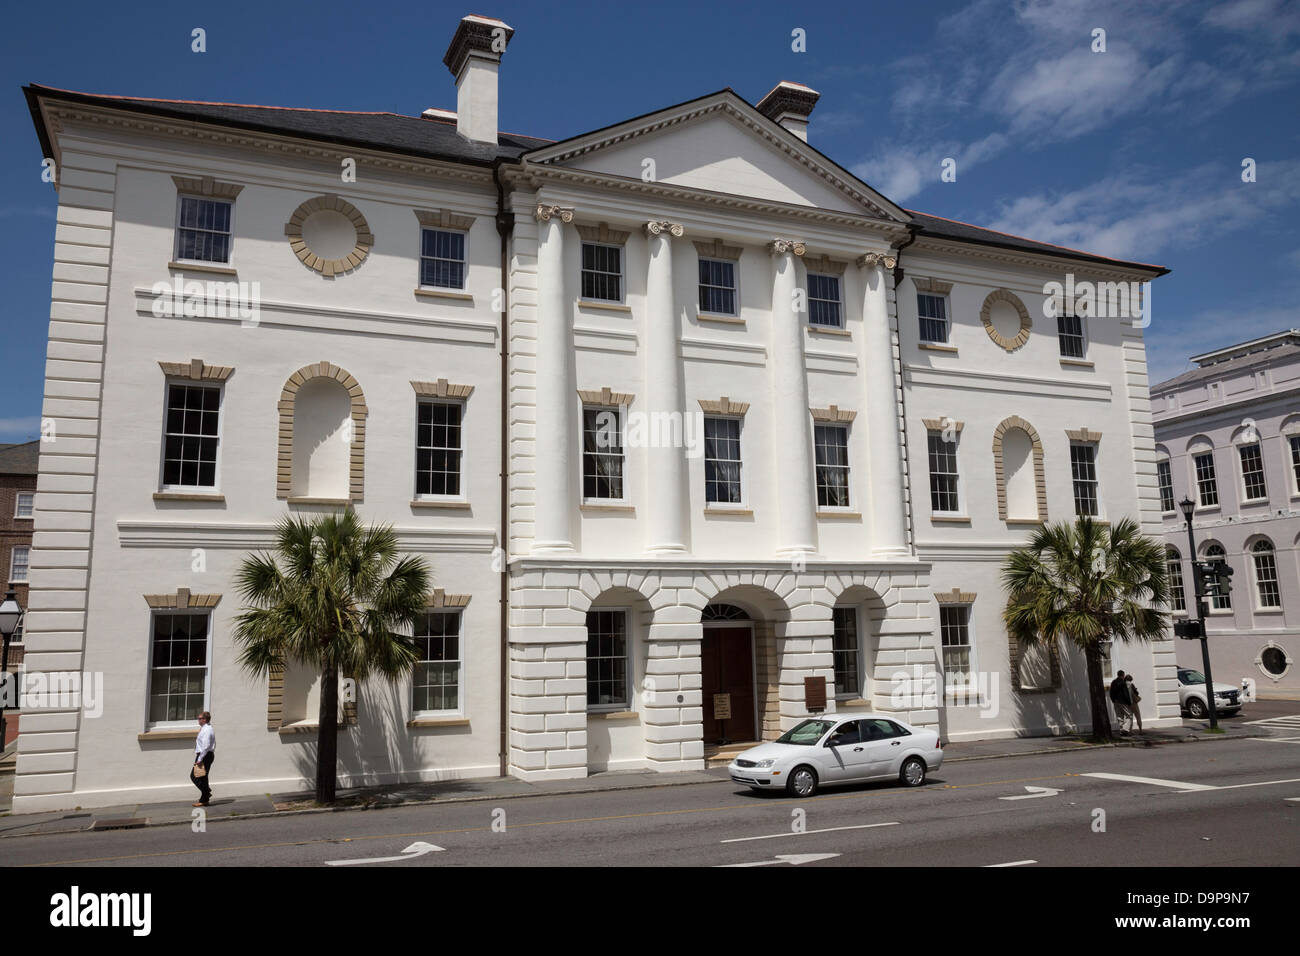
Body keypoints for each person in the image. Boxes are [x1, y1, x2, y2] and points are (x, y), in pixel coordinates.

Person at [191, 711, 215, 807]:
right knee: (203, 778)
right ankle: (205, 799)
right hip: (204, 755)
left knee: (194, 776)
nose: (198, 720)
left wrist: (200, 758)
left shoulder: (207, 730)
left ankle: (206, 792)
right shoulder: (204, 728)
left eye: (199, 718)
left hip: (205, 756)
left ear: (204, 719)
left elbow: (206, 745)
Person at [1108, 669, 1132, 735]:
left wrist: (1113, 700)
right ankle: (1125, 729)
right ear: (1123, 675)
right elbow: (1126, 693)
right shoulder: (1123, 683)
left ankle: (1121, 730)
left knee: (1119, 716)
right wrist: (1129, 702)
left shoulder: (1113, 682)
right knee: (1129, 715)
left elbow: (1111, 692)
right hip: (1123, 701)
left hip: (1115, 701)